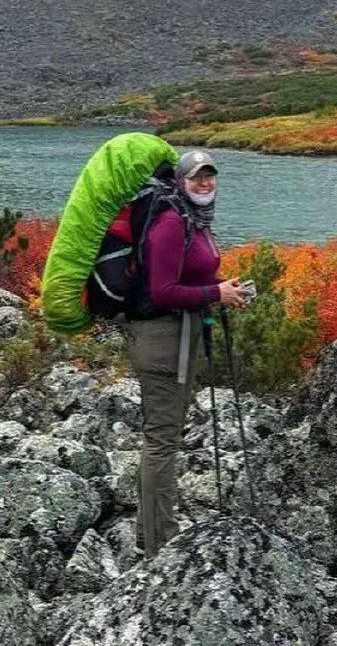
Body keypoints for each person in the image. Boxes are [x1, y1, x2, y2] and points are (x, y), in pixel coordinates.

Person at [120, 148, 248, 557]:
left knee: (165, 435)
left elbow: (188, 277)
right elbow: (162, 291)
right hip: (161, 341)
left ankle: (149, 532)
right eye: (196, 177)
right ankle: (161, 546)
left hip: (180, 335)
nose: (204, 183)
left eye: (210, 176)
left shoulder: (194, 220)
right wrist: (215, 293)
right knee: (162, 440)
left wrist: (223, 288)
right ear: (180, 181)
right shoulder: (172, 223)